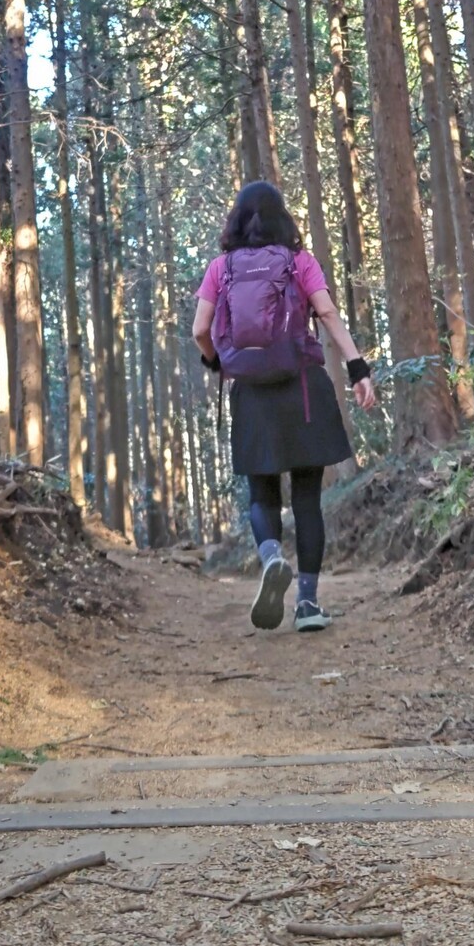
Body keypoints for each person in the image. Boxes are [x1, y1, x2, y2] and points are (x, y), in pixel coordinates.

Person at [192, 181, 376, 633]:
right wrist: (357, 369)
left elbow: (200, 329)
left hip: (252, 391)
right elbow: (328, 315)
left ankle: (272, 556)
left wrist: (219, 362)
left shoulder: (221, 268)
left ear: (236, 220)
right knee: (308, 499)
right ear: (283, 219)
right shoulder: (299, 262)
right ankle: (308, 605)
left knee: (262, 492)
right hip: (303, 389)